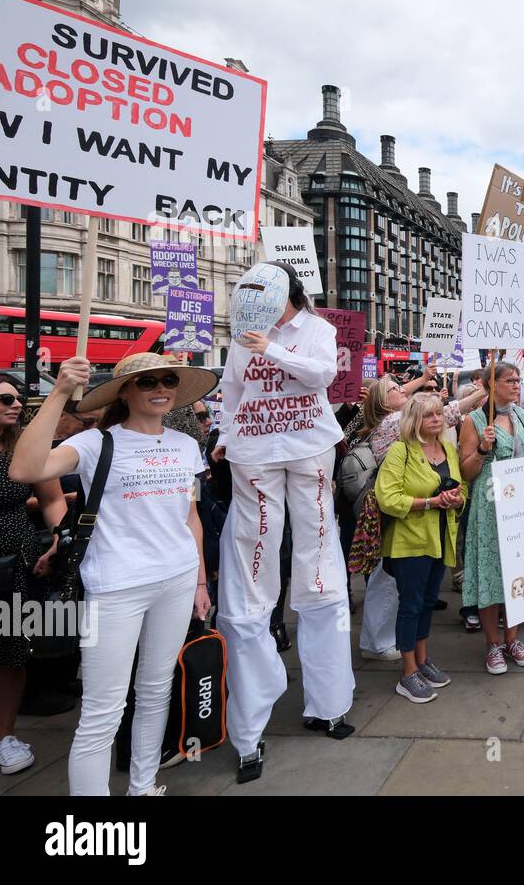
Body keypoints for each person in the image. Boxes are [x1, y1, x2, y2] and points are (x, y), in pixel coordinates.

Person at [10, 354, 214, 795]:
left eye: (168, 380)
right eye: (148, 383)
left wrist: (199, 580)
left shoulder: (184, 445)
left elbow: (190, 515)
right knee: (104, 709)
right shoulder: (94, 443)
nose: (161, 388)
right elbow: (24, 469)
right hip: (116, 587)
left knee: (157, 690)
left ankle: (144, 787)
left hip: (177, 580)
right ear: (124, 391)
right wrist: (60, 392)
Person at [214, 261, 354, 782]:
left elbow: (322, 374)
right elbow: (231, 391)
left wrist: (268, 347)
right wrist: (225, 438)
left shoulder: (317, 329)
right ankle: (248, 733)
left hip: (308, 446)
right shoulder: (239, 338)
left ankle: (329, 703)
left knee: (318, 567)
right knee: (254, 574)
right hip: (254, 452)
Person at [0, 375, 68, 776]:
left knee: (9, 652)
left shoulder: (25, 450)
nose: (16, 403)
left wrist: (60, 538)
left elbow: (52, 499)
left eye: (18, 397)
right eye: (6, 397)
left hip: (15, 565)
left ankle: (4, 736)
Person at [374, 393, 465, 703]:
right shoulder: (400, 452)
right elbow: (387, 498)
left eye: (439, 413)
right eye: (429, 415)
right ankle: (408, 671)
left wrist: (456, 500)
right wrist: (430, 502)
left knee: (428, 602)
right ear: (415, 420)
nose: (437, 420)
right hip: (409, 541)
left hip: (441, 538)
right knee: (411, 604)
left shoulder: (448, 449)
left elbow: (459, 487)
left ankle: (423, 661)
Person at [459, 361, 524, 674]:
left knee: (517, 571)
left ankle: (513, 639)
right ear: (492, 384)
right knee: (491, 573)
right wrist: (481, 449)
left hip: (520, 503)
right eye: (510, 380)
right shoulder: (475, 420)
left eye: (519, 380)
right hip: (490, 504)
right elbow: (466, 472)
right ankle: (493, 644)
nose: (517, 385)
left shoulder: (520, 414)